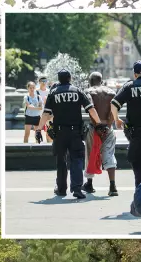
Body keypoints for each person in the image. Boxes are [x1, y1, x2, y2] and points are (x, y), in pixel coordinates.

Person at [38, 69, 102, 199]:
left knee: (61, 161)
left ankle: (61, 189)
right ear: (70, 78)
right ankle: (77, 188)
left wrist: (39, 129)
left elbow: (46, 114)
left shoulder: (53, 93)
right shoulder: (77, 91)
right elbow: (91, 109)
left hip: (60, 132)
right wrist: (99, 124)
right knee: (77, 159)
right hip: (75, 132)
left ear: (59, 79)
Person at [82, 71, 118, 196]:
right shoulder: (111, 92)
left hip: (94, 127)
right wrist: (108, 125)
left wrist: (98, 126)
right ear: (101, 81)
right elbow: (114, 110)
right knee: (109, 154)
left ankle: (89, 183)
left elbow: (92, 109)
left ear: (90, 82)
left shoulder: (89, 91)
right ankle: (112, 185)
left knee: (91, 153)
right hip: (108, 127)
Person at [37, 77, 53, 142]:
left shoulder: (49, 91)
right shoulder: (36, 91)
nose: (43, 82)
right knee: (37, 131)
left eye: (45, 81)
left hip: (47, 114)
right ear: (39, 82)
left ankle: (49, 146)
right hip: (38, 114)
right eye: (42, 81)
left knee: (49, 131)